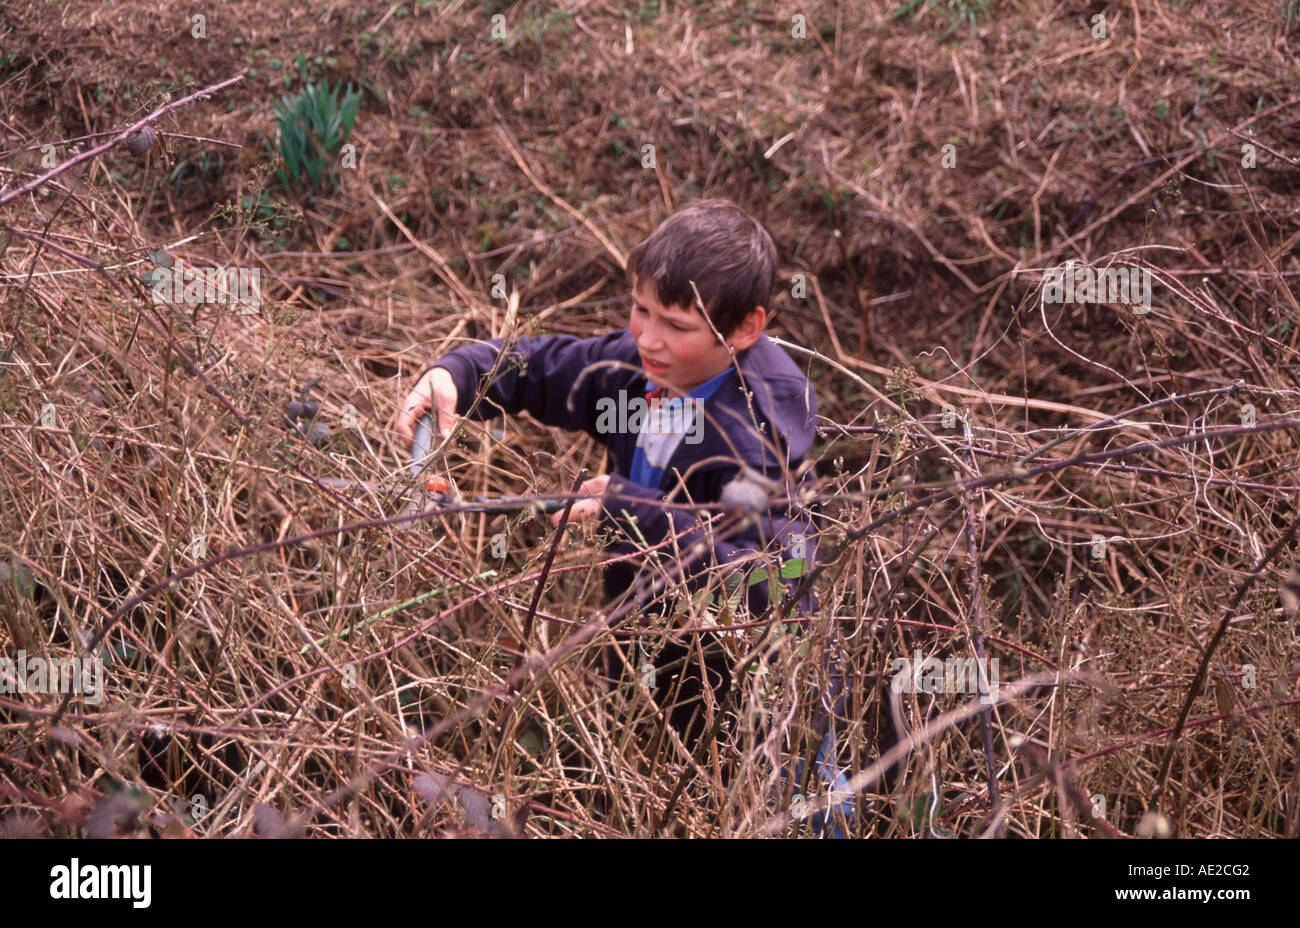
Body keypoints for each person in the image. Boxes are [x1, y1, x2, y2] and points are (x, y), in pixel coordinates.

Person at [394, 199, 842, 817]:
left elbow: (779, 581)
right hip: (642, 667)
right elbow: (548, 370)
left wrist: (638, 512)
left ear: (744, 329)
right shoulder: (643, 366)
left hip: (750, 716)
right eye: (640, 310)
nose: (647, 338)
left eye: (678, 327)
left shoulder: (759, 436)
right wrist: (462, 372)